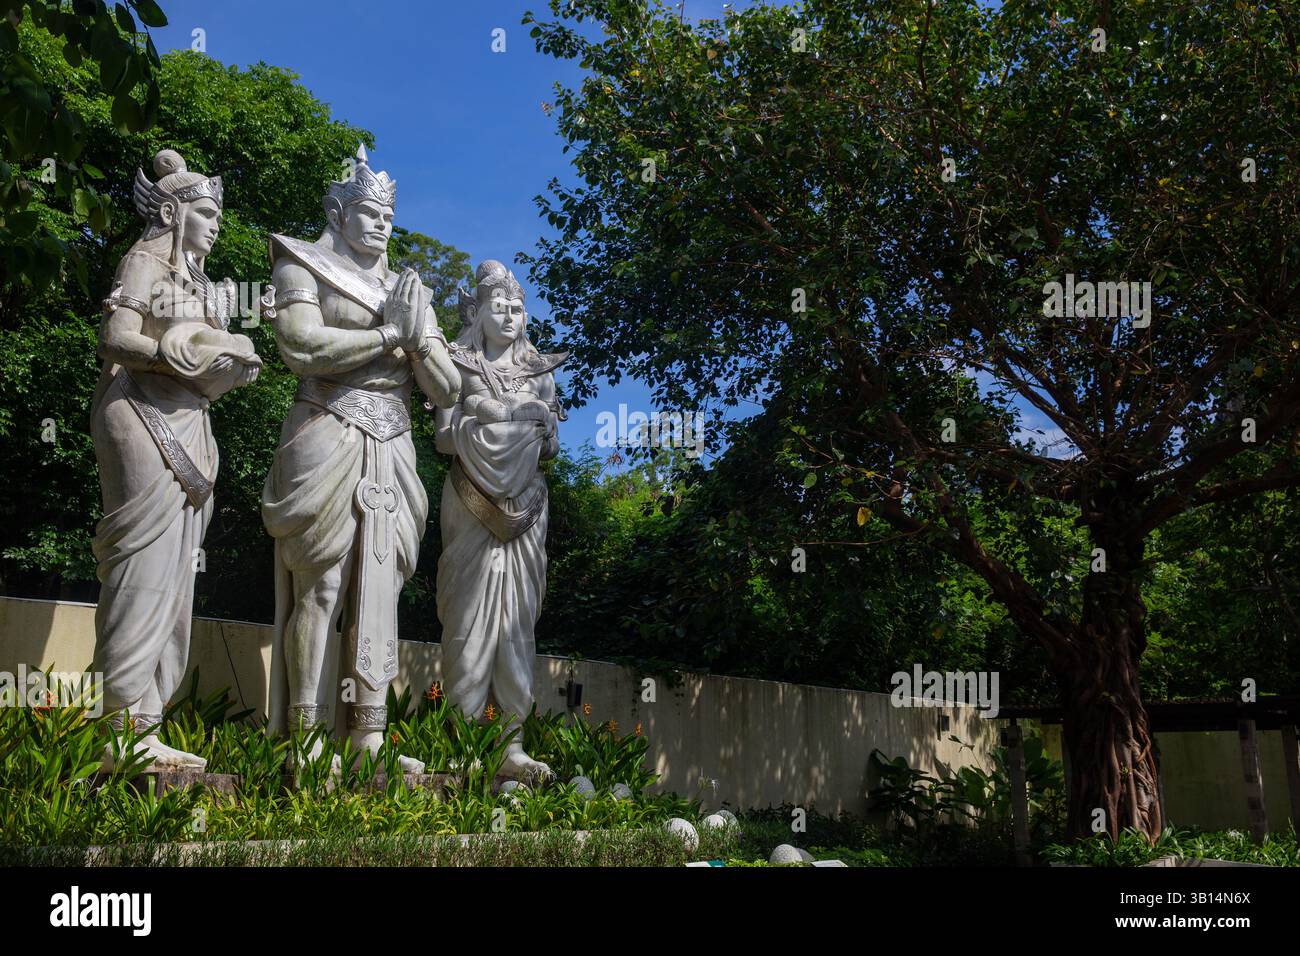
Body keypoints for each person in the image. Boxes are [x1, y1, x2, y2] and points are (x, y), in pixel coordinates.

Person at [262, 146, 459, 770]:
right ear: (339, 211)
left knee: (380, 591)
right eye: (369, 214)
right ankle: (307, 737)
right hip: (327, 425)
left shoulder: (407, 289)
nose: (381, 226)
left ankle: (369, 738)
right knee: (319, 586)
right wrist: (388, 339)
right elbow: (299, 344)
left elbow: (448, 387)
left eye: (388, 218)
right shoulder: (302, 264)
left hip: (393, 441)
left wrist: (416, 339)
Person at [91, 148, 261, 769]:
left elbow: (217, 345)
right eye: (207, 213)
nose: (215, 225)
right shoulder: (144, 262)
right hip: (138, 409)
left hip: (193, 419)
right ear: (172, 210)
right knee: (142, 561)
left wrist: (233, 357)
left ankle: (147, 720)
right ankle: (117, 725)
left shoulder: (209, 288)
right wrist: (179, 359)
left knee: (178, 572)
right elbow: (116, 338)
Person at [436, 260, 567, 780]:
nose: (509, 315)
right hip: (470, 499)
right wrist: (488, 418)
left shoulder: (541, 372)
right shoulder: (458, 365)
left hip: (528, 504)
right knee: (467, 618)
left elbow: (552, 445)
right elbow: (444, 437)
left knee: (517, 624)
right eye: (498, 306)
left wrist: (537, 422)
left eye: (517, 307)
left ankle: (512, 747)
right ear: (478, 312)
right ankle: (463, 741)